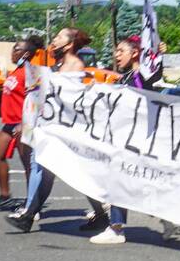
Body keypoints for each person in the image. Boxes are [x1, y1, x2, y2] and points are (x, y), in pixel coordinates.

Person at [6, 28, 109, 234]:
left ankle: (102, 215)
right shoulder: (56, 65)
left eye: (59, 37)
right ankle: (28, 215)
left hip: (69, 130)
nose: (54, 40)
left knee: (79, 174)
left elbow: (69, 97)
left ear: (69, 44)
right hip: (53, 129)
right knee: (44, 169)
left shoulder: (75, 65)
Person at [91, 37, 152, 246]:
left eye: (121, 51)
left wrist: (155, 55)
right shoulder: (125, 76)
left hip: (136, 138)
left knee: (119, 179)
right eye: (116, 51)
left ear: (134, 53)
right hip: (122, 135)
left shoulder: (139, 75)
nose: (116, 55)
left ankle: (116, 228)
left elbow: (146, 88)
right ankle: (115, 222)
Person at [0, 36, 42, 211]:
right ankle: (5, 197)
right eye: (13, 49)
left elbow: (36, 101)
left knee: (28, 164)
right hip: (10, 124)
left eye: (16, 49)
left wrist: (23, 123)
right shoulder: (16, 70)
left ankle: (32, 204)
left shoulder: (32, 73)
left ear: (26, 54)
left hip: (23, 124)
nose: (12, 52)